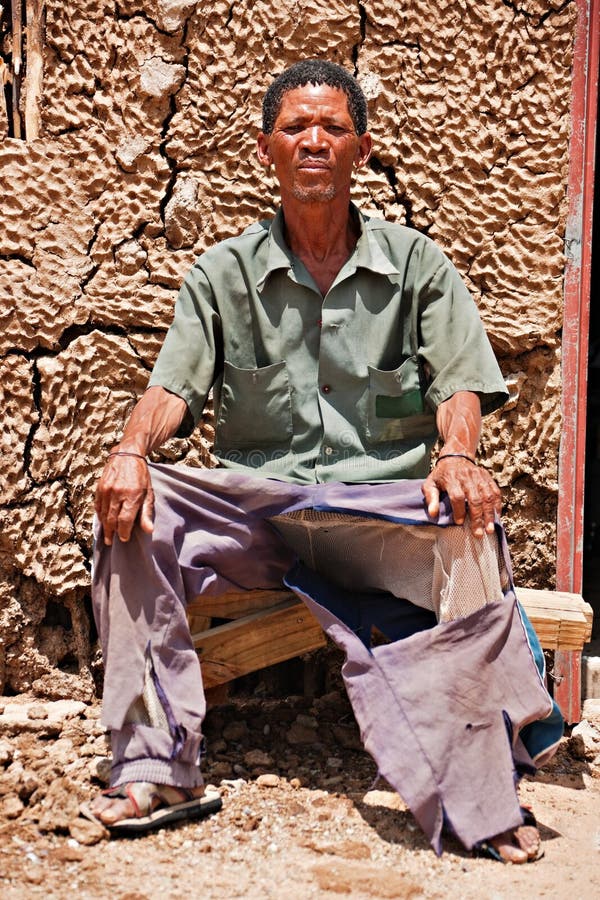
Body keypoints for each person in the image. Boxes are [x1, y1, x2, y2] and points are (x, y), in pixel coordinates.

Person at [83, 60, 563, 861]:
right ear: (267, 149)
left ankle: (482, 795)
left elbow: (458, 385)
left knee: (470, 526)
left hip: (376, 515)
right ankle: (156, 767)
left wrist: (456, 454)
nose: (315, 140)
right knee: (137, 508)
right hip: (259, 512)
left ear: (362, 149)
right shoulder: (224, 275)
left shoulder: (417, 266)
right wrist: (131, 449)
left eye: (334, 128)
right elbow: (174, 386)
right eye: (296, 128)